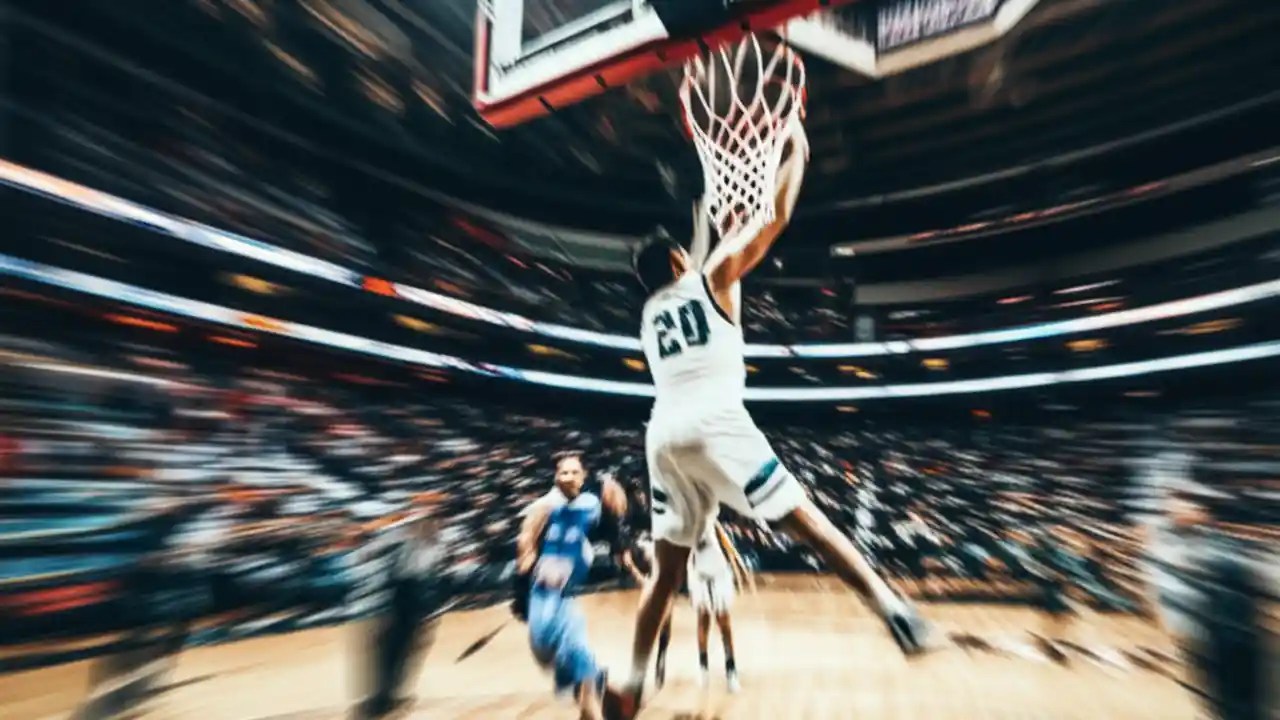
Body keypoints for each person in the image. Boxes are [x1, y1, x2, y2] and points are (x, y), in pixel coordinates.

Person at [604, 126, 933, 718]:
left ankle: (628, 681)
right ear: (680, 258)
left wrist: (718, 218)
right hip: (715, 422)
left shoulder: (649, 313)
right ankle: (893, 608)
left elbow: (700, 266)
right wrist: (795, 156)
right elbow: (777, 215)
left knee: (666, 571)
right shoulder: (710, 279)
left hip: (662, 435)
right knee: (808, 521)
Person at [513, 452, 628, 720]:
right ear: (555, 477)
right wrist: (522, 582)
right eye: (564, 473)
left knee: (581, 669)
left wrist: (612, 490)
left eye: (574, 472)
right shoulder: (545, 506)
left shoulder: (589, 502)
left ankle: (596, 695)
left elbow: (615, 506)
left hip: (565, 603)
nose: (568, 477)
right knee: (568, 664)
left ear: (583, 476)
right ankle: (598, 689)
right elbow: (526, 542)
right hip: (545, 599)